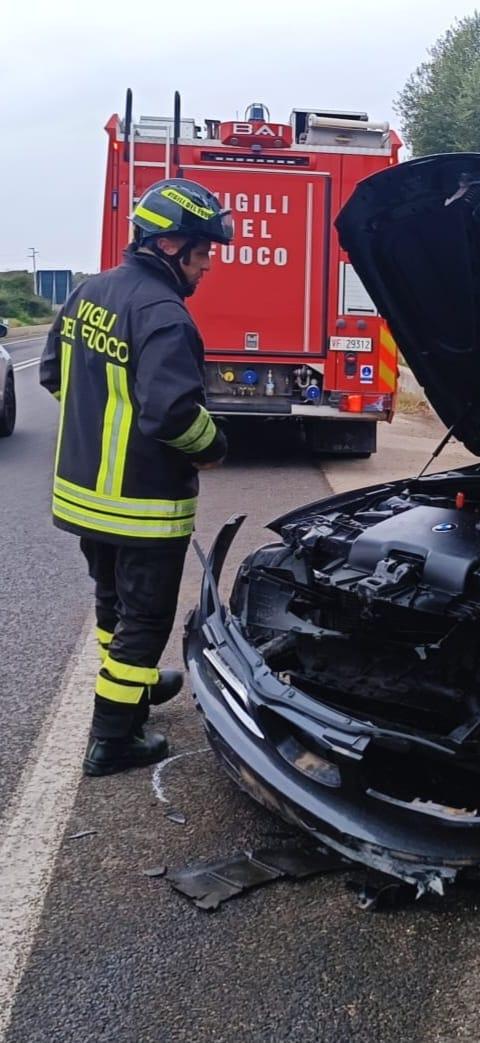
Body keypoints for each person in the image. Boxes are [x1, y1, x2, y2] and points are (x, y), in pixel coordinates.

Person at [40, 178, 232, 777]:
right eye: (203, 253)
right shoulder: (164, 315)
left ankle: (136, 687)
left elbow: (53, 374)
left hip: (84, 496)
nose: (207, 268)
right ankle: (114, 738)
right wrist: (214, 445)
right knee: (144, 620)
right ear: (171, 245)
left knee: (112, 602)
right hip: (142, 504)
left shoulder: (88, 292)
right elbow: (173, 414)